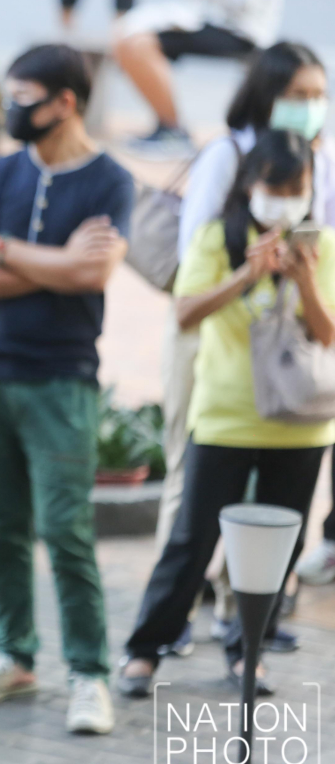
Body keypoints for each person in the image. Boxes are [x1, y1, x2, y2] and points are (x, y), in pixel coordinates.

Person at [0, 44, 133, 736]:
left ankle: (89, 673)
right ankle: (13, 654)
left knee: (65, 529)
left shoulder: (110, 180)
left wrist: (1, 250)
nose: (13, 106)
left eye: (26, 95)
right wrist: (51, 261)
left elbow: (95, 275)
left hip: (62, 378)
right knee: (1, 528)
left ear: (66, 102)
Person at [117, 130, 335, 698]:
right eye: (274, 186)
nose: (284, 198)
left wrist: (305, 280)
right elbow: (185, 313)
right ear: (250, 185)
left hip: (300, 424)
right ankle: (146, 648)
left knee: (275, 552)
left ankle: (249, 652)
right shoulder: (219, 237)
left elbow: (328, 333)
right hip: (224, 418)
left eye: (297, 187)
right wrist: (245, 276)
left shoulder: (324, 246)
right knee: (192, 538)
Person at [160, 42, 331, 653]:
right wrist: (248, 273)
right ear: (267, 95)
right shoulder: (227, 155)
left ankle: (246, 618)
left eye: (318, 96)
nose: (310, 108)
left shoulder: (322, 161)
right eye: (297, 96)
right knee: (193, 483)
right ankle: (172, 617)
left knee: (276, 499)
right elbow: (193, 262)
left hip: (288, 348)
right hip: (216, 342)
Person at [113, 0, 281, 157]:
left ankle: (172, 132)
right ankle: (169, 128)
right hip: (206, 17)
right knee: (126, 35)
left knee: (138, 45)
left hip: (242, 27)